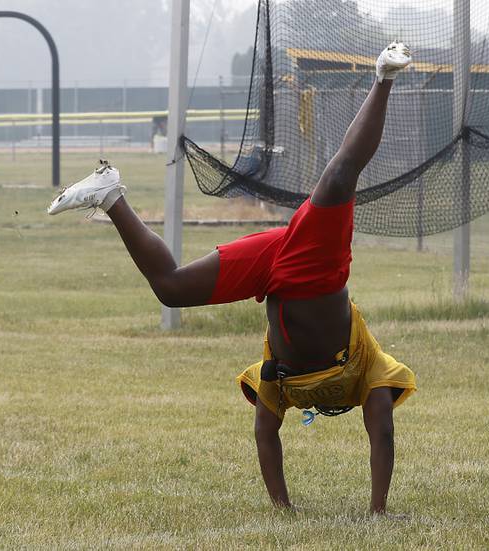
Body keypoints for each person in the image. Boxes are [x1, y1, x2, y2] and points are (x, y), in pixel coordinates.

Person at [47, 43, 416, 516]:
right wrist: (378, 511)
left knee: (171, 289)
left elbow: (265, 432)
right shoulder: (370, 366)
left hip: (275, 268)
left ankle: (110, 194)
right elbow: (382, 428)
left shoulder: (275, 378)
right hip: (314, 268)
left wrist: (283, 510)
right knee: (342, 173)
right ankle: (383, 77)